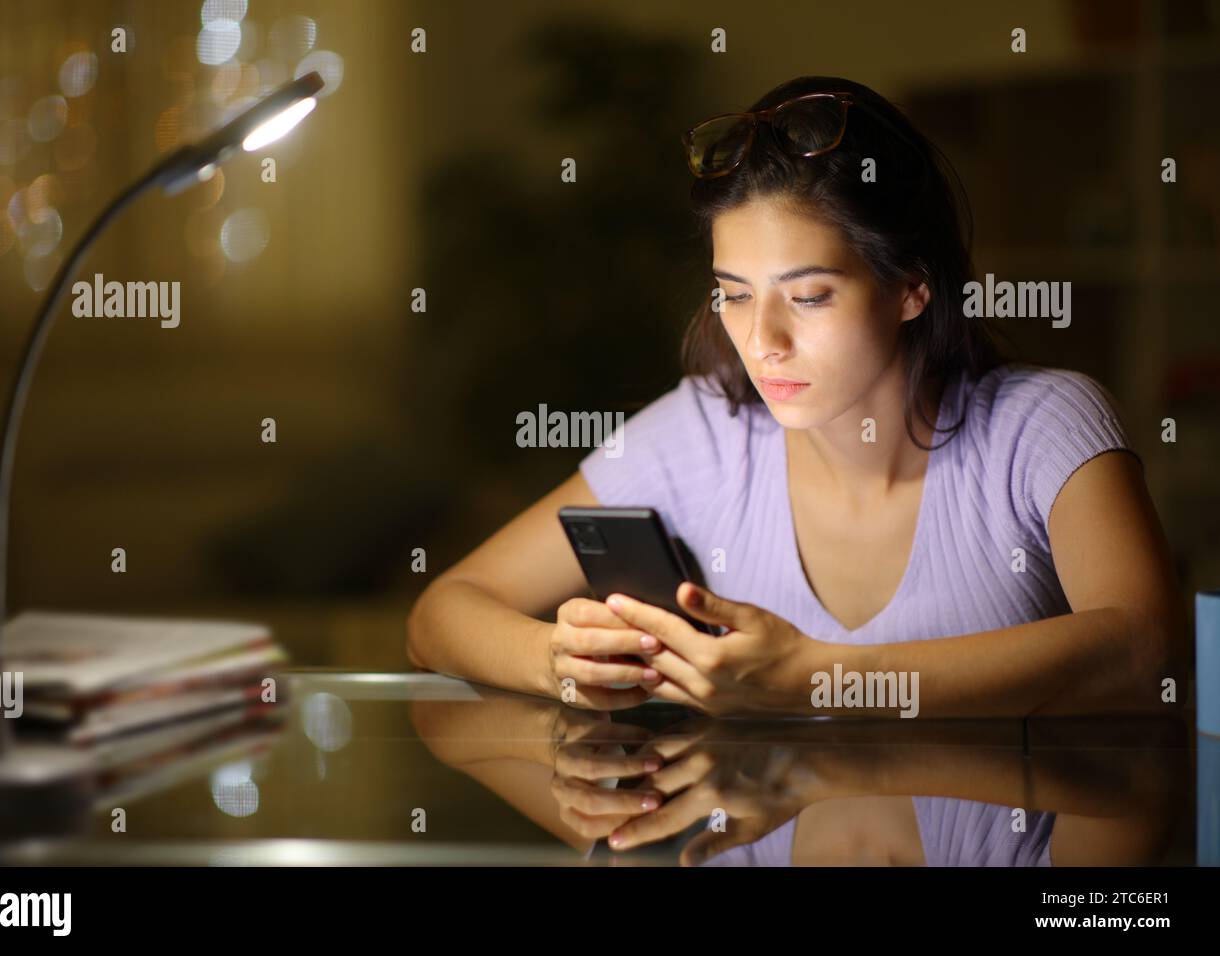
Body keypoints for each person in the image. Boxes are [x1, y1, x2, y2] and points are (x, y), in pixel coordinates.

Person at [405, 75, 1187, 719]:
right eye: (735, 295)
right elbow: (443, 612)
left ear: (912, 288)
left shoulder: (1041, 425)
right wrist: (559, 661)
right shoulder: (706, 431)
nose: (762, 340)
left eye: (808, 296)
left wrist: (820, 679)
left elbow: (1144, 646)